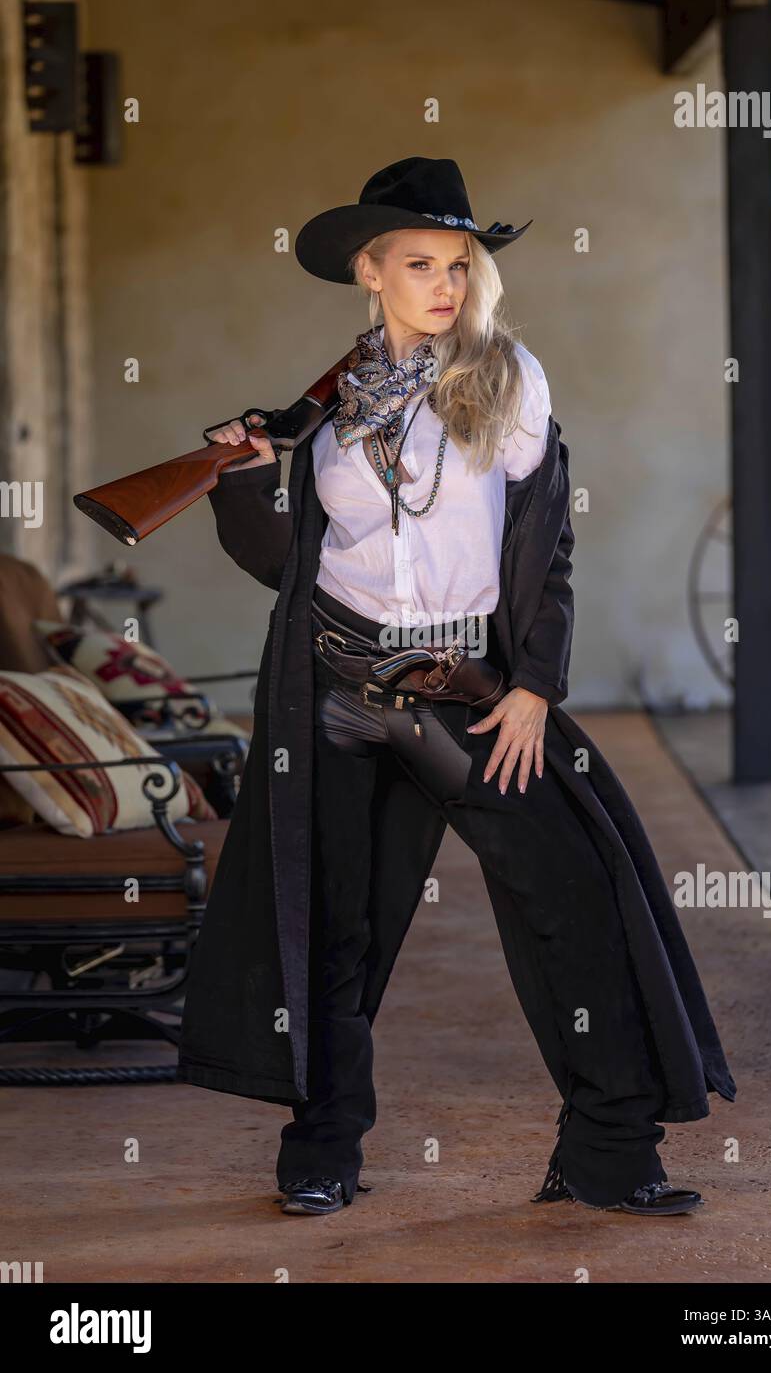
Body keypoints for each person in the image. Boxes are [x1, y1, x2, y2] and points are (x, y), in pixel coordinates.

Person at [179, 155, 736, 1220]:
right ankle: (322, 1150)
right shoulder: (325, 413)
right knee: (339, 924)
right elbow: (287, 566)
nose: (443, 282)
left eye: (458, 263)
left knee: (570, 893)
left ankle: (607, 1149)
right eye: (419, 263)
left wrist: (533, 685)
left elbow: (546, 547)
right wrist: (246, 477)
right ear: (369, 273)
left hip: (465, 689)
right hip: (334, 688)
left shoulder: (507, 377)